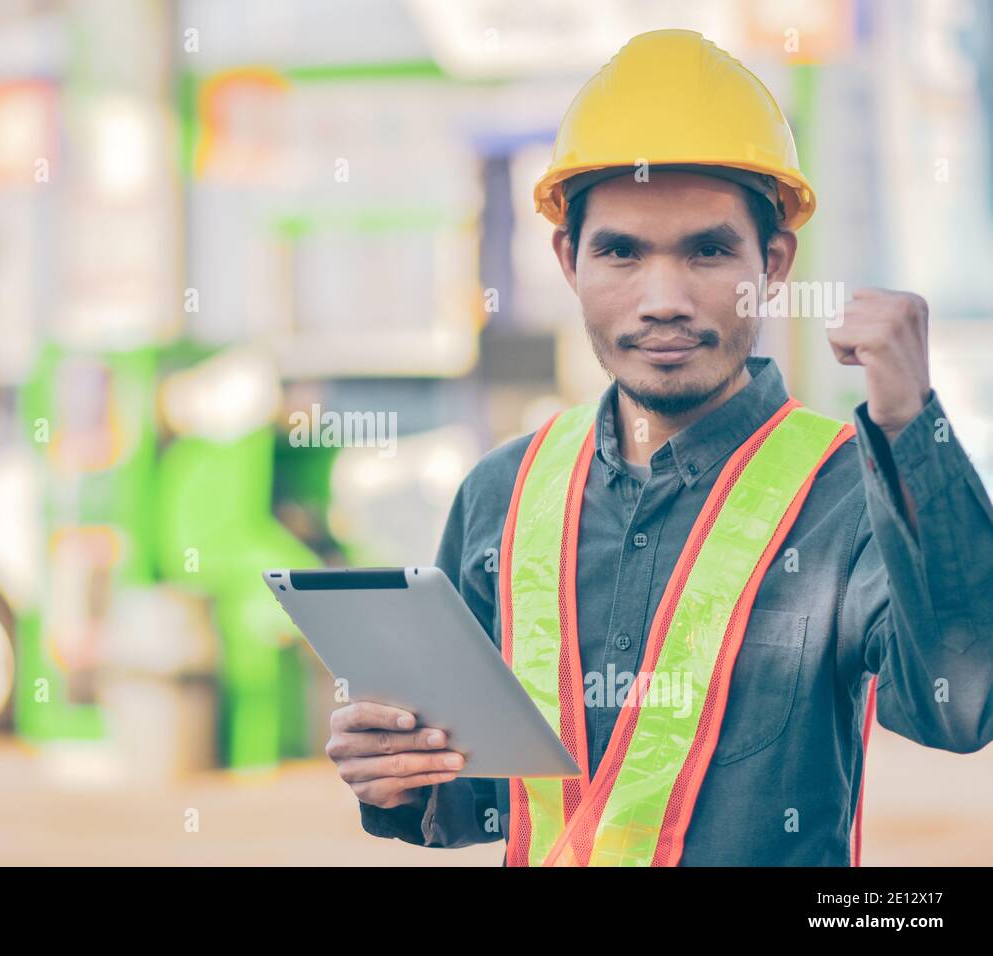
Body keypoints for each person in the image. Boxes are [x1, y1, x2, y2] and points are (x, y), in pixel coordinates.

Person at [325, 29, 993, 866]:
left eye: (708, 251)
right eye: (621, 253)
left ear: (773, 261)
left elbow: (959, 708)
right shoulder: (503, 492)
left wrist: (910, 427)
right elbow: (500, 800)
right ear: (569, 259)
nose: (663, 300)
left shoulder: (848, 492)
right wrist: (401, 774)